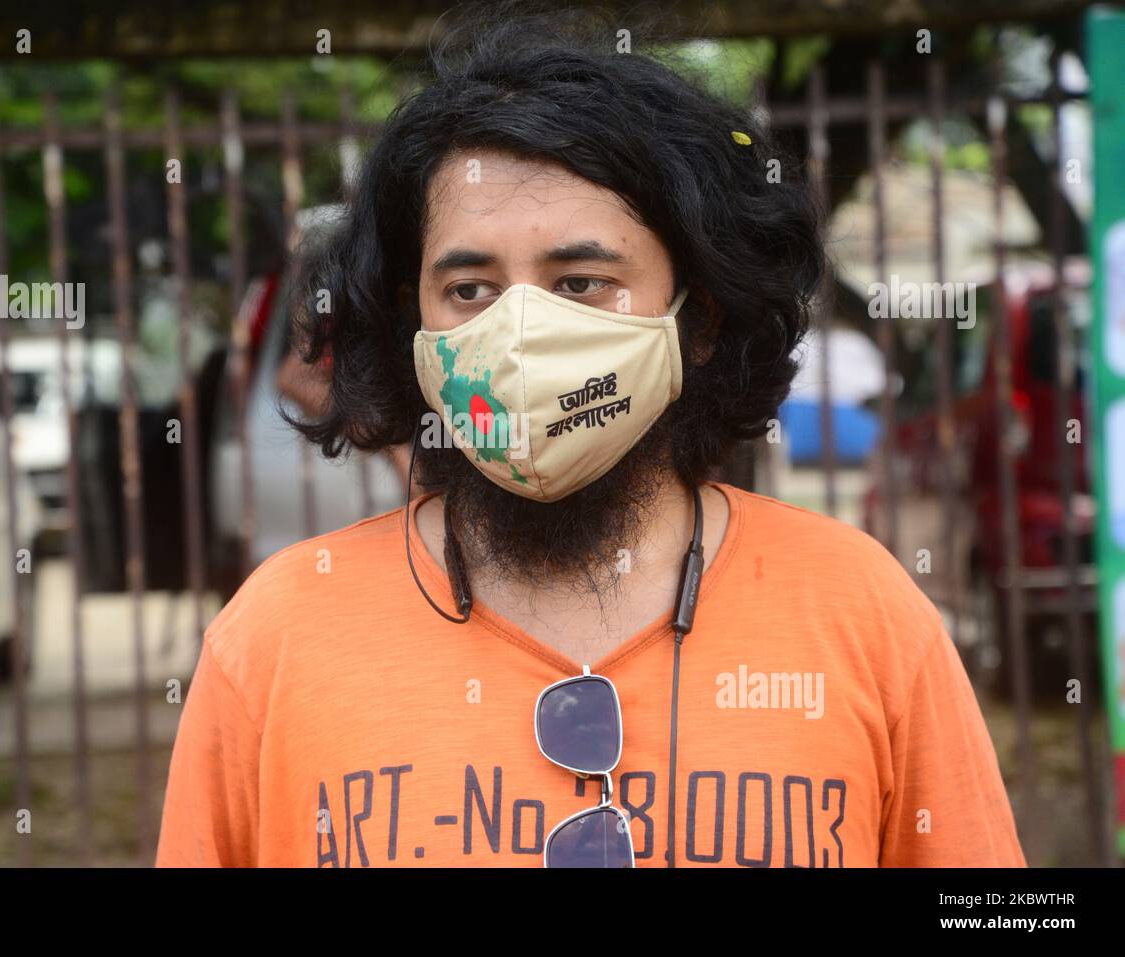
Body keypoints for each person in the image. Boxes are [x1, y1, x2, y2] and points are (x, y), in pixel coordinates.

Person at [156, 7, 1025, 868]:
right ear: (407, 319)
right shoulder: (274, 640)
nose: (520, 333)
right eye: (469, 288)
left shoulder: (863, 617)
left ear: (703, 317)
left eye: (581, 281)